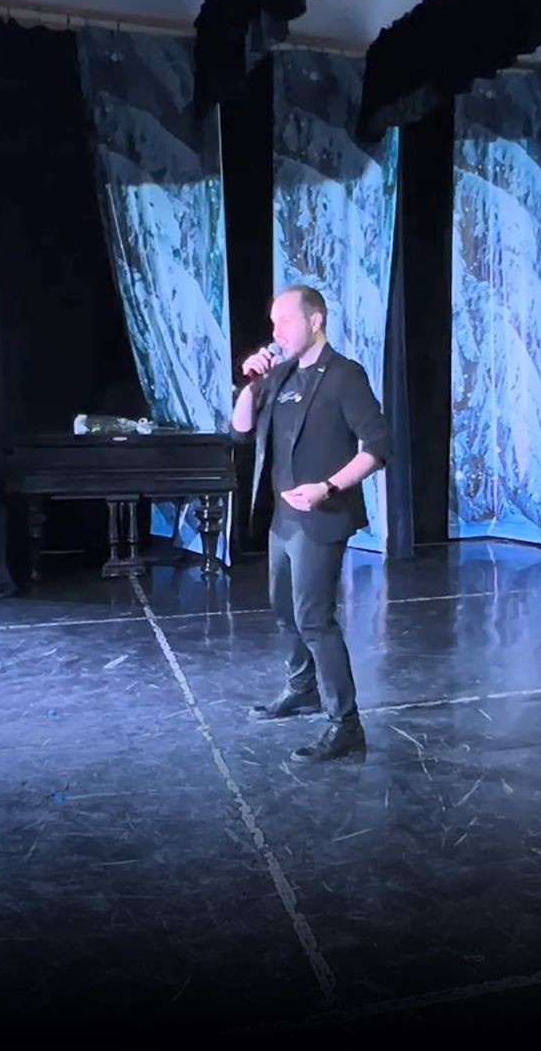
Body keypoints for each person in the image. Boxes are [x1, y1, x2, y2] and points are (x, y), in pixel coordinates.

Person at [231, 285, 390, 763]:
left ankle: (346, 725)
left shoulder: (344, 375)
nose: (276, 332)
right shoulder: (279, 375)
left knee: (315, 619)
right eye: (273, 323)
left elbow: (378, 446)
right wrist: (250, 384)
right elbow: (240, 431)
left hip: (322, 514)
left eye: (285, 321)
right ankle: (302, 689)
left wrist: (329, 487)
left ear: (315, 320)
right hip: (283, 518)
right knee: (285, 611)